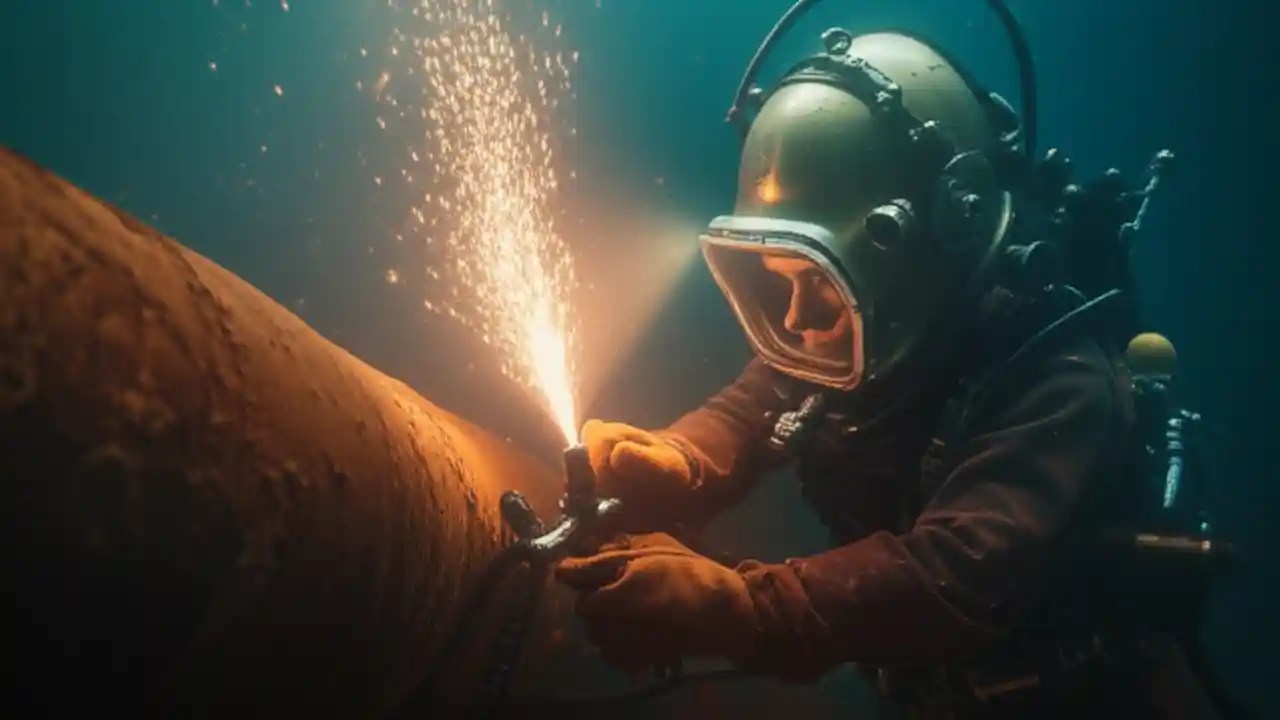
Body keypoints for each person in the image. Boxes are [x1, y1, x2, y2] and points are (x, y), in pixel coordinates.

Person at [553, 27, 1228, 719]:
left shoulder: (1062, 381)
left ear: (915, 248)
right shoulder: (871, 329)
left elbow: (953, 572)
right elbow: (755, 403)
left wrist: (743, 607)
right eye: (784, 277)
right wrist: (682, 457)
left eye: (820, 282)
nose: (795, 318)